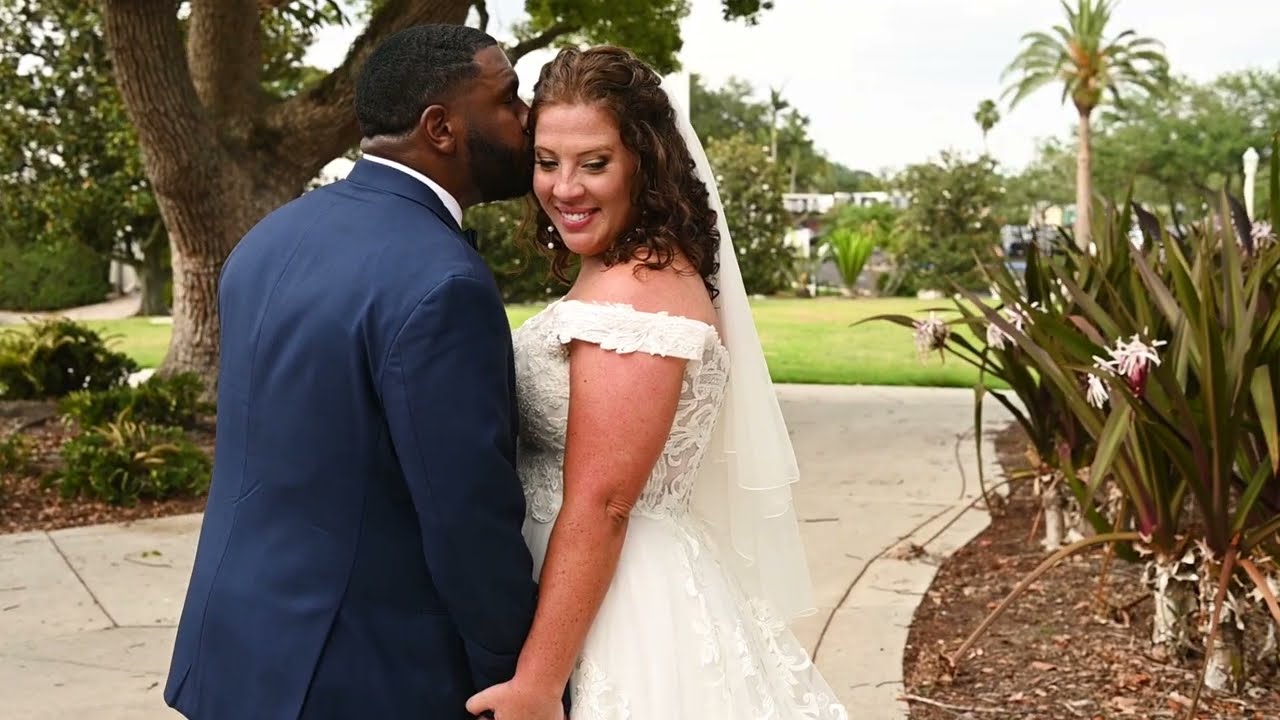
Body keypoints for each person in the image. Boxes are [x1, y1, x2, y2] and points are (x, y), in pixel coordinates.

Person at [164, 25, 565, 720]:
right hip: (361, 678)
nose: (528, 119)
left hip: (230, 654)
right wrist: (517, 677)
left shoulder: (269, 238)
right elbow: (466, 516)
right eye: (507, 99)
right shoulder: (444, 283)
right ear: (441, 127)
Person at [467, 45, 850, 719]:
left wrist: (537, 684)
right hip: (590, 582)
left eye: (595, 163)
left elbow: (606, 503)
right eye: (547, 162)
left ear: (644, 161)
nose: (565, 188)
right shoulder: (631, 264)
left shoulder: (636, 294)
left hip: (624, 608)